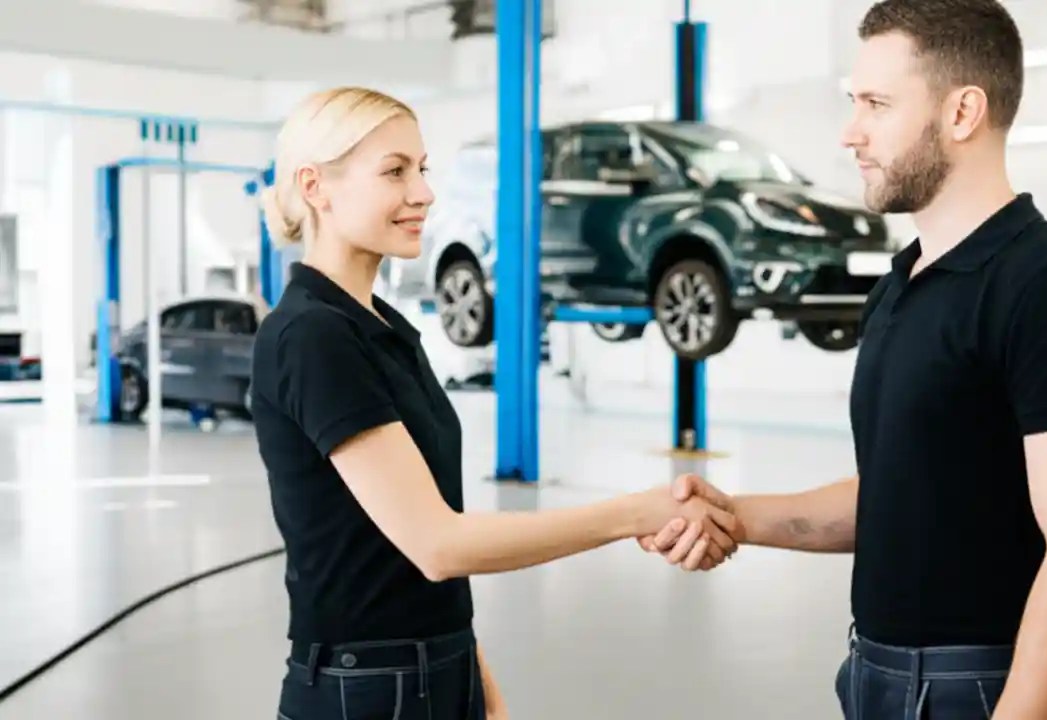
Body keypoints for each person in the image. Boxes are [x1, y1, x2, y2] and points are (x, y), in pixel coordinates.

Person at [643, 1, 1047, 718]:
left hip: (980, 688)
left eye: (876, 104)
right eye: (854, 103)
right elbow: (900, 496)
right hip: (873, 676)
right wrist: (734, 516)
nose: (851, 134)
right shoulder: (902, 287)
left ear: (963, 112)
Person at [250, 86, 742, 720]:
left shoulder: (383, 327)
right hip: (366, 690)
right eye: (395, 171)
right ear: (316, 187)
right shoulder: (312, 336)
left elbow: (428, 561)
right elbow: (437, 544)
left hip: (436, 669)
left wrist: (482, 688)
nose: (423, 192)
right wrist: (632, 515)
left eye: (422, 169)